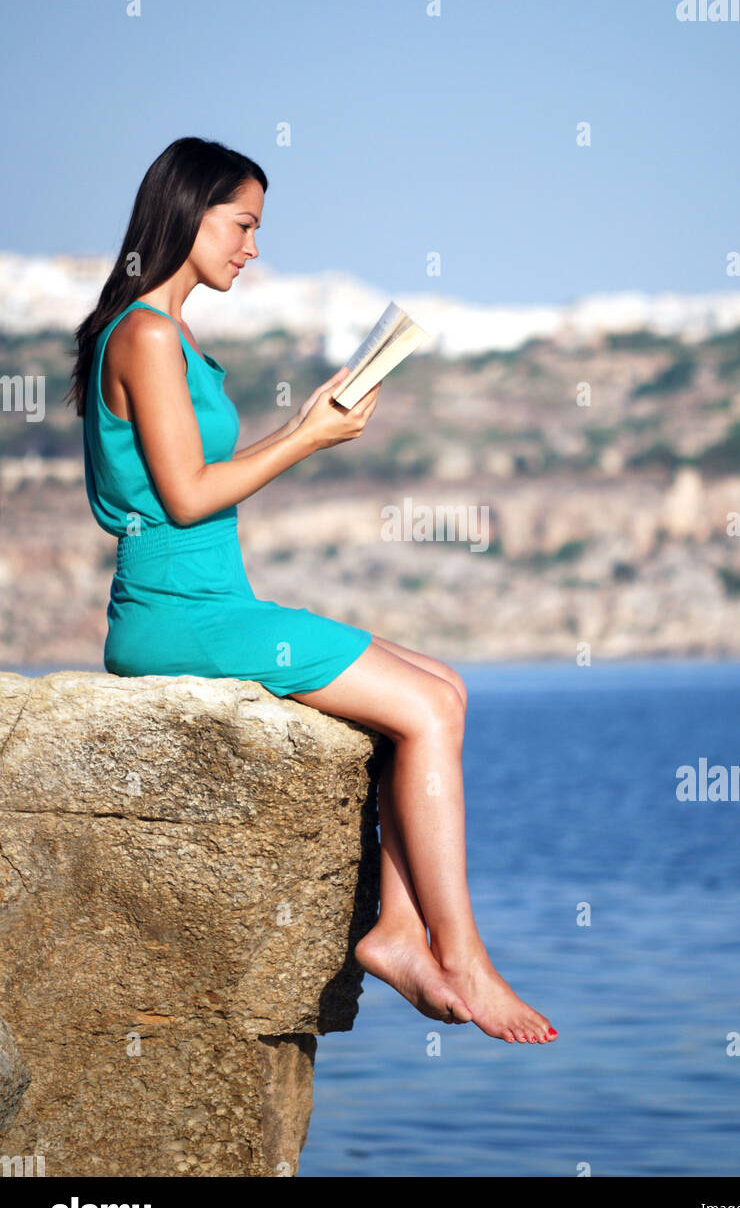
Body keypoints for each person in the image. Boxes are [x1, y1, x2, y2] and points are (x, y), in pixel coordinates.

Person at [68, 136, 557, 1046]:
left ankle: (402, 931)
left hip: (209, 603)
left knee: (443, 686)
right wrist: (304, 436)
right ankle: (463, 961)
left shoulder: (163, 335)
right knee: (428, 712)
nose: (252, 248)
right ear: (188, 210)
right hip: (180, 616)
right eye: (242, 224)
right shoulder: (142, 334)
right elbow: (186, 496)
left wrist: (304, 429)